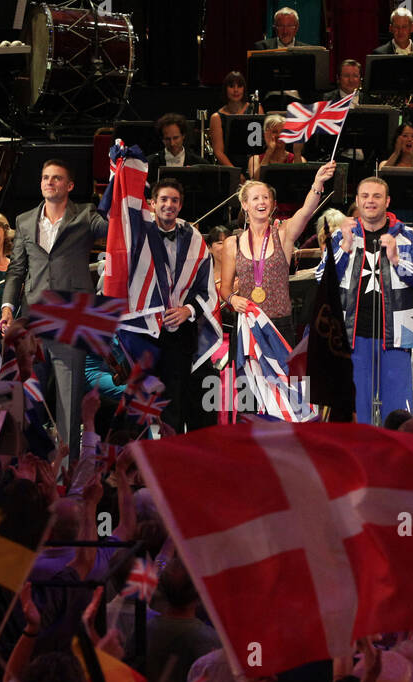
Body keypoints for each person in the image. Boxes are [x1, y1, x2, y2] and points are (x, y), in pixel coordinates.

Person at [0, 158, 108, 456]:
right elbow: (16, 270)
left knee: (68, 399)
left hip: (70, 316)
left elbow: (114, 229)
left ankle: (68, 470)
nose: (50, 182)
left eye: (57, 178)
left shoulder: (86, 214)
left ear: (69, 185)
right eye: (45, 177)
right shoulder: (23, 220)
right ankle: (32, 466)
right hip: (32, 318)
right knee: (29, 399)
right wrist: (8, 305)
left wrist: (120, 180)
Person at [316, 175, 413, 425]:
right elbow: (322, 278)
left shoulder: (408, 236)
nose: (370, 201)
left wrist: (398, 260)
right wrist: (344, 247)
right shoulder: (340, 236)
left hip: (397, 338)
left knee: (398, 415)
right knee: (354, 412)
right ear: (357, 200)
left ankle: (394, 462)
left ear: (387, 201)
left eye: (377, 196)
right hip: (350, 337)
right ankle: (355, 462)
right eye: (364, 196)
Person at [137, 178, 221, 434]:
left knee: (184, 396)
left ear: (180, 205)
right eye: (163, 199)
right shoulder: (140, 234)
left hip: (183, 331)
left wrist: (188, 310)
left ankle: (188, 458)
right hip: (147, 332)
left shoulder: (193, 237)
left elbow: (206, 288)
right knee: (158, 402)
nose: (168, 205)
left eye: (174, 200)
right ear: (152, 203)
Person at [221, 161, 336, 346]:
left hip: (280, 324)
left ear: (273, 203)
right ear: (244, 204)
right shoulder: (232, 243)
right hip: (247, 324)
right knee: (247, 376)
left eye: (266, 197)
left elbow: (306, 211)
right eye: (255, 198)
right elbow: (224, 288)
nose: (261, 202)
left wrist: (318, 183)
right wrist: (232, 299)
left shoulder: (283, 234)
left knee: (282, 376)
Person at [209, 71, 263, 169]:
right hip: (229, 168)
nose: (236, 90)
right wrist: (235, 172)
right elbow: (218, 152)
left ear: (244, 88)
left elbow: (259, 145)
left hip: (254, 165)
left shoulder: (256, 109)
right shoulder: (216, 117)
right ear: (225, 89)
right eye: (231, 86)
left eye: (239, 86)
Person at [246, 113, 304, 181]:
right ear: (265, 135)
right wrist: (269, 151)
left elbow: (299, 180)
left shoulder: (298, 159)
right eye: (274, 132)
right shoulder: (255, 159)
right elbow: (256, 180)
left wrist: (297, 153)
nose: (279, 135)